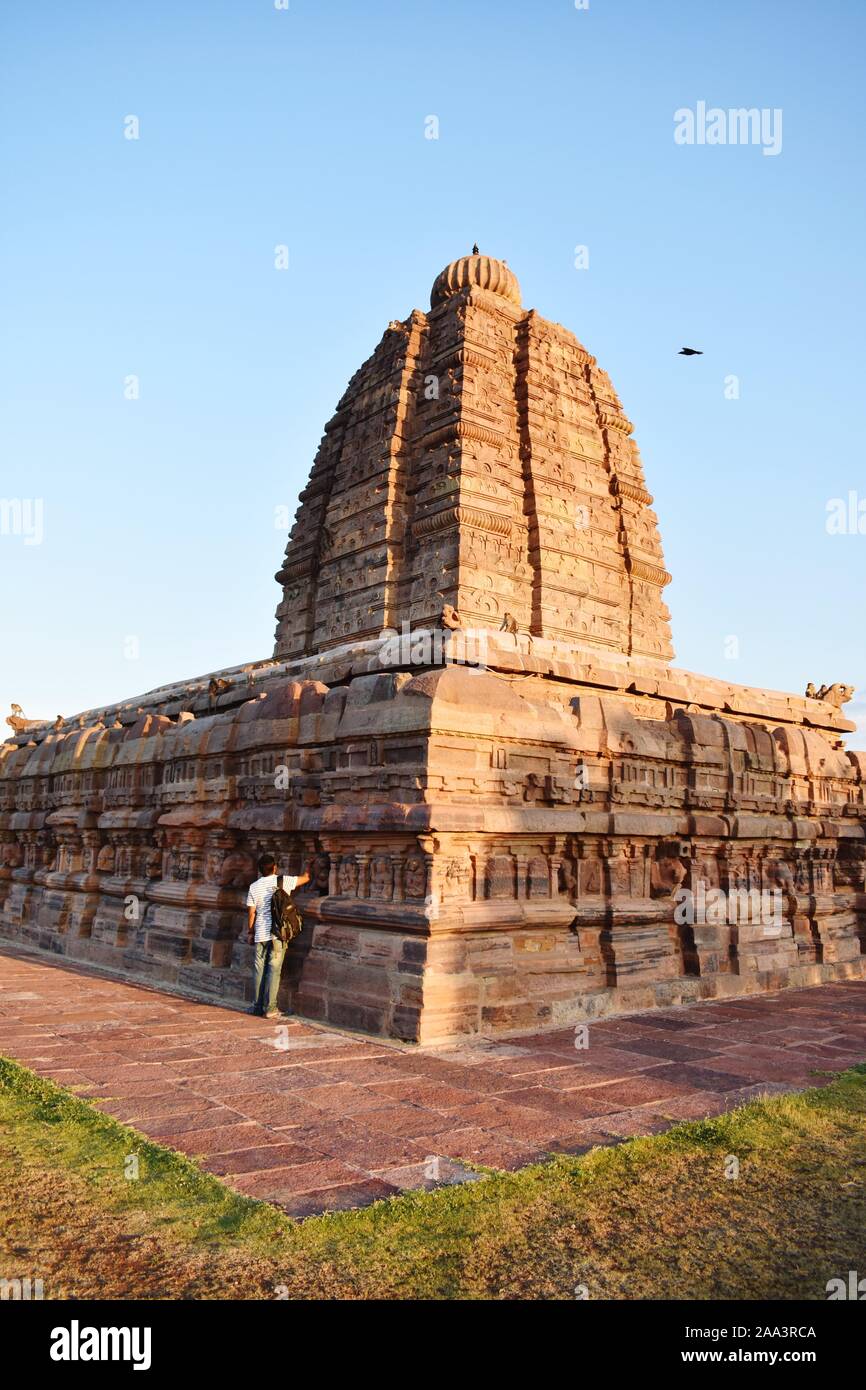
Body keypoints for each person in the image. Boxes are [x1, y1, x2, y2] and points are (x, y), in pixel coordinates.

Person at [245, 853, 310, 1018]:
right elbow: (305, 878)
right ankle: (271, 1008)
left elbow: (251, 913)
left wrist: (250, 932)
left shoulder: (254, 886)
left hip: (260, 933)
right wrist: (309, 864)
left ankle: (257, 1006)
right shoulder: (283, 881)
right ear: (274, 868)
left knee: (259, 970)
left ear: (260, 870)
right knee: (274, 970)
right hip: (277, 934)